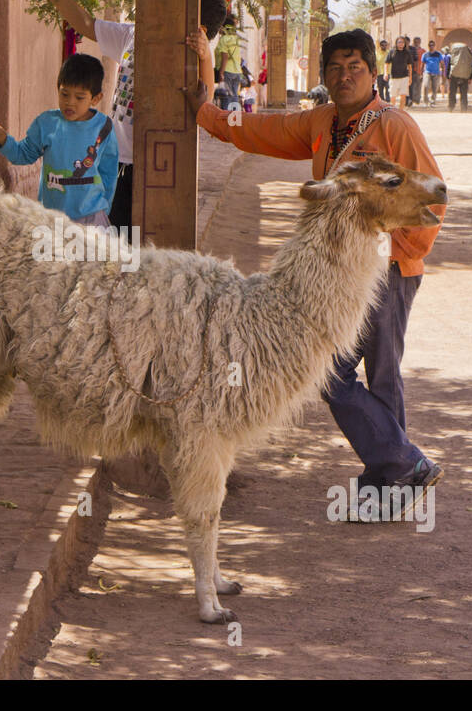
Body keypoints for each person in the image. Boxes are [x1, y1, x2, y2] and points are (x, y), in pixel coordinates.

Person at [182, 28, 446, 495]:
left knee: (381, 372)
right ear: (324, 75)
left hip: (387, 270)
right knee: (330, 372)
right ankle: (402, 463)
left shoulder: (395, 126)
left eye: (355, 69)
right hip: (343, 275)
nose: (345, 78)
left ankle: (391, 478)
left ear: (373, 73)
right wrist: (205, 112)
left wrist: (394, 250)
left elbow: (432, 198)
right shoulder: (321, 122)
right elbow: (260, 131)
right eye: (336, 69)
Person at [26, 0, 227, 229]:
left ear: (198, 28)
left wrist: (205, 55)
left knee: (131, 242)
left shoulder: (190, 59)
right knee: (99, 236)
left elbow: (205, 99)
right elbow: (87, 24)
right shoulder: (133, 35)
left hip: (147, 169)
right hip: (109, 158)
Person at [0, 53, 118, 228]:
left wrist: (104, 210)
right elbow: (22, 155)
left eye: (79, 97)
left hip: (91, 219)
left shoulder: (104, 127)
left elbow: (108, 173)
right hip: (51, 218)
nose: (70, 103)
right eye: (64, 94)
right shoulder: (47, 123)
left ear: (95, 98)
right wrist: (2, 137)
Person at [216, 13, 243, 107]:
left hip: (227, 71)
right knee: (234, 97)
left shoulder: (224, 39)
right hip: (237, 72)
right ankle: (235, 118)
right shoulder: (235, 39)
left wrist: (221, 73)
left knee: (226, 97)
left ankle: (226, 119)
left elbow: (225, 57)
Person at [387, 36, 414, 107]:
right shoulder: (392, 52)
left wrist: (410, 77)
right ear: (396, 43)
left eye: (402, 42)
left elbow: (410, 66)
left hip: (404, 77)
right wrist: (386, 73)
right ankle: (392, 111)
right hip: (394, 77)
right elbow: (386, 63)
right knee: (393, 96)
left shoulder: (407, 53)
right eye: (399, 42)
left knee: (403, 95)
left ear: (405, 43)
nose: (401, 44)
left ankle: (401, 112)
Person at [447, 41, 472, 111]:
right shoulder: (468, 55)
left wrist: (448, 76)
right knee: (464, 93)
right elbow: (471, 66)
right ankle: (463, 107)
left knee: (452, 92)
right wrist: (470, 77)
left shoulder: (452, 55)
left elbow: (449, 66)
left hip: (454, 75)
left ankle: (451, 106)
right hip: (465, 76)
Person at [421, 40, 445, 106]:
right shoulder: (425, 55)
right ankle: (426, 101)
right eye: (430, 45)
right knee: (426, 86)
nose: (431, 47)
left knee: (435, 87)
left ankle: (433, 101)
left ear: (435, 46)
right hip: (427, 72)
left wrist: (443, 73)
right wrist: (421, 73)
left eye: (432, 45)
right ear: (428, 46)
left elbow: (442, 64)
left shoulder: (438, 54)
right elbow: (422, 64)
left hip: (436, 73)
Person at [410, 36, 425, 105]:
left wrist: (422, 72)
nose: (417, 43)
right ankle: (412, 99)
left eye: (418, 41)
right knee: (412, 86)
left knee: (418, 85)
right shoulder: (411, 50)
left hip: (420, 71)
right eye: (415, 41)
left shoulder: (423, 51)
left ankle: (417, 99)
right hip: (412, 71)